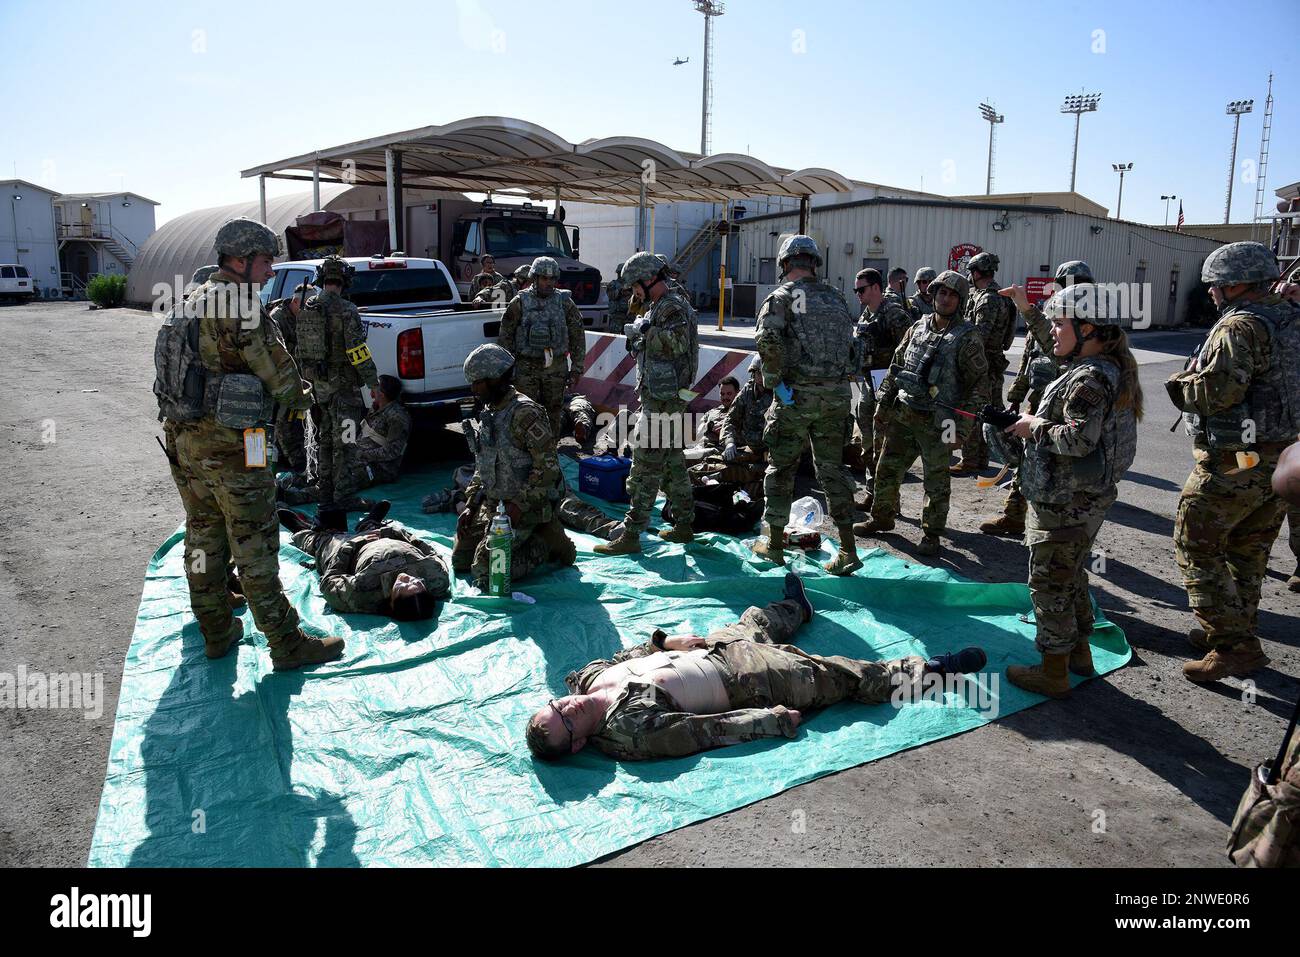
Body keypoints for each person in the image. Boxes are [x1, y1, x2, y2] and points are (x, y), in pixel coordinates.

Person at [525, 573, 987, 760]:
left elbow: (620, 659)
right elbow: (707, 730)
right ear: (578, 743)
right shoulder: (630, 730)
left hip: (712, 650)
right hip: (747, 679)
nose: (567, 705)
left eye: (555, 705)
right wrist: (767, 722)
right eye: (566, 721)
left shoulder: (585, 678)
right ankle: (932, 669)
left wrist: (662, 642)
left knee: (754, 622)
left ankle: (796, 608)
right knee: (841, 676)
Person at [153, 217, 343, 670]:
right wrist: (308, 397)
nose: (272, 270)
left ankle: (216, 631)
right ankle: (286, 642)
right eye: (265, 260)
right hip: (236, 446)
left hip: (185, 442)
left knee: (202, 536)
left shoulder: (190, 301)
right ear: (239, 261)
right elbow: (282, 381)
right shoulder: (240, 306)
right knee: (255, 543)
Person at [1167, 242, 1300, 682]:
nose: (1211, 293)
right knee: (1247, 550)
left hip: (1236, 461)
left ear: (1237, 285)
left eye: (1216, 286)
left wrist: (1179, 385)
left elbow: (1216, 393)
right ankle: (1233, 628)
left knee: (1196, 543)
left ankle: (1233, 645)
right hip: (1282, 460)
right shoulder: (1292, 319)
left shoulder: (1240, 327)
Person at [1002, 284, 1141, 697]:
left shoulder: (1091, 379)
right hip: (1080, 499)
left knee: (1049, 584)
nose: (1053, 330)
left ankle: (1053, 671)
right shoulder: (1100, 368)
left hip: (1066, 503)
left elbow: (1079, 440)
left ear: (1089, 329)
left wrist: (1033, 426)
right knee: (1071, 575)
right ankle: (1079, 654)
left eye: (1060, 323)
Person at [854, 270, 989, 558]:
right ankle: (882, 517)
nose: (946, 298)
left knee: (936, 481)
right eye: (942, 292)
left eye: (953, 294)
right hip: (904, 414)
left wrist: (961, 429)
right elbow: (896, 366)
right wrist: (883, 404)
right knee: (886, 469)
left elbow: (978, 387)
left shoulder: (967, 337)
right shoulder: (917, 328)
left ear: (961, 300)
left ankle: (931, 533)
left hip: (940, 420)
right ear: (934, 294)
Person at [749, 235, 862, 575]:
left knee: (781, 469)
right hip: (836, 396)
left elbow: (768, 342)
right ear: (815, 263)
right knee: (832, 470)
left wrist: (774, 383)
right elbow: (851, 343)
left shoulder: (781, 297)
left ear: (785, 264)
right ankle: (847, 548)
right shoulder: (837, 297)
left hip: (796, 397)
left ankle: (775, 545)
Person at [595, 251, 700, 554]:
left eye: (635, 285)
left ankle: (631, 535)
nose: (633, 292)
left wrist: (645, 331)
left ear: (648, 278)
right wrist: (638, 337)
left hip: (666, 399)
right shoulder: (662, 304)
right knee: (672, 463)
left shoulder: (671, 306)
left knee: (645, 464)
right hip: (662, 396)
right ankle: (683, 525)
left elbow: (676, 344)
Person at [980, 260, 1094, 537]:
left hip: (1067, 401)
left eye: (1076, 284)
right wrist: (1017, 395)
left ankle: (1057, 525)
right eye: (1065, 284)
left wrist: (1026, 309)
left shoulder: (1085, 323)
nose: (1069, 290)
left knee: (1056, 464)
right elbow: (1030, 359)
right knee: (1027, 457)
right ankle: (1014, 515)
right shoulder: (1050, 317)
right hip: (1040, 398)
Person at [453, 344, 577, 588]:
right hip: (495, 505)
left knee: (486, 573)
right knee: (460, 560)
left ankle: (546, 542)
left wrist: (519, 504)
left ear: (496, 379)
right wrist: (470, 505)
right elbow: (484, 464)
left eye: (478, 382)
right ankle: (534, 537)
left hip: (526, 506)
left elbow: (549, 467)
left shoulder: (524, 413)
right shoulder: (490, 411)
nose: (473, 389)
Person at [294, 255, 380, 529]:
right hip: (344, 390)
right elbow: (357, 350)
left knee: (325, 442)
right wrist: (372, 381)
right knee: (345, 442)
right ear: (344, 281)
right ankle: (343, 496)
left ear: (322, 280)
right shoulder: (347, 310)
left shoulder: (310, 306)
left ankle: (325, 493)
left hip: (319, 390)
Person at [279, 502, 449, 619]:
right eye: (416, 582)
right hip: (383, 537)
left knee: (325, 542)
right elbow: (430, 551)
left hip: (351, 551)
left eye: (401, 587)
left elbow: (329, 583)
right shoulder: (436, 578)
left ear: (391, 601)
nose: (407, 578)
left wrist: (350, 547)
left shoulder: (364, 594)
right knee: (373, 529)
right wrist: (394, 533)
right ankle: (369, 523)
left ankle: (302, 532)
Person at [497, 255, 586, 438]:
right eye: (544, 278)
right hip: (526, 366)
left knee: (553, 410)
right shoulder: (520, 302)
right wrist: (507, 370)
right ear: (534, 278)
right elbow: (506, 335)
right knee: (524, 410)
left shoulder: (564, 302)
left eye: (552, 278)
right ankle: (524, 452)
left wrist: (577, 367)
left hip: (555, 366)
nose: (549, 282)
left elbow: (577, 333)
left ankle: (549, 451)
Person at [852, 267, 917, 496]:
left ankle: (888, 499)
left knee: (884, 442)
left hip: (888, 384)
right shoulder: (867, 314)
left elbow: (909, 354)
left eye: (861, 290)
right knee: (867, 439)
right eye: (856, 290)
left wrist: (895, 387)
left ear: (876, 288)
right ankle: (872, 493)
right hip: (870, 381)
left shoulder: (894, 314)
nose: (858, 295)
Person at [952, 251, 1016, 474]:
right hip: (994, 362)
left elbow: (978, 336)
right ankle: (982, 459)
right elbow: (1008, 336)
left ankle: (971, 460)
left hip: (981, 365)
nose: (969, 276)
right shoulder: (1001, 296)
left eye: (971, 271)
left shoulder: (987, 299)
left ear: (978, 272)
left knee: (971, 411)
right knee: (987, 413)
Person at [267, 281, 318, 475]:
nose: (309, 313)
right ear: (295, 303)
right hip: (283, 378)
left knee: (303, 421)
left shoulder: (308, 315)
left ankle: (303, 459)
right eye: (305, 307)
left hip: (303, 377)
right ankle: (297, 464)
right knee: (286, 421)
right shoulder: (277, 319)